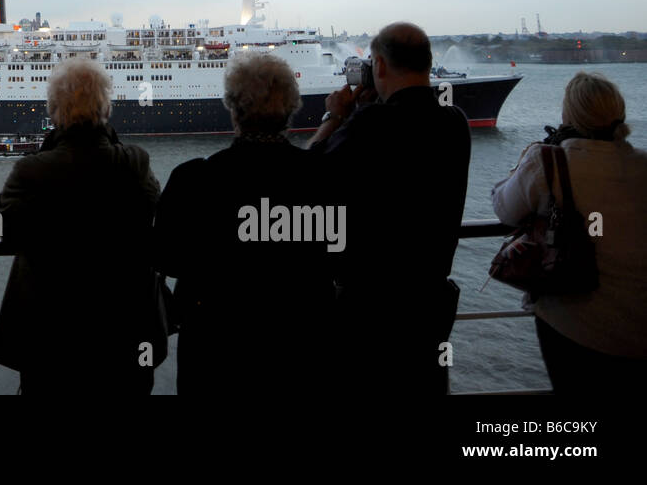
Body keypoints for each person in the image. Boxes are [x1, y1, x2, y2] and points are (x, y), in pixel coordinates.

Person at [154, 52, 336, 395]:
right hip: (304, 351)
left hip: (216, 354)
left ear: (234, 110)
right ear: (291, 110)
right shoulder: (325, 179)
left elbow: (166, 259)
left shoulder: (194, 180)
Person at [307, 22, 469, 395]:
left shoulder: (371, 124)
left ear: (378, 66)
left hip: (371, 308)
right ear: (428, 63)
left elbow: (311, 176)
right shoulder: (455, 122)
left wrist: (335, 117)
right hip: (430, 304)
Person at [0, 57, 162, 395]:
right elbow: (154, 216)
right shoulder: (134, 163)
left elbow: (2, 231)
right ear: (106, 108)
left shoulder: (31, 171)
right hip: (122, 335)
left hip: (50, 341)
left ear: (54, 111)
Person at [491, 71, 647, 393]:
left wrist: (521, 168)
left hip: (574, 322)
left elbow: (504, 209)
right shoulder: (642, 164)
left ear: (568, 115)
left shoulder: (548, 160)